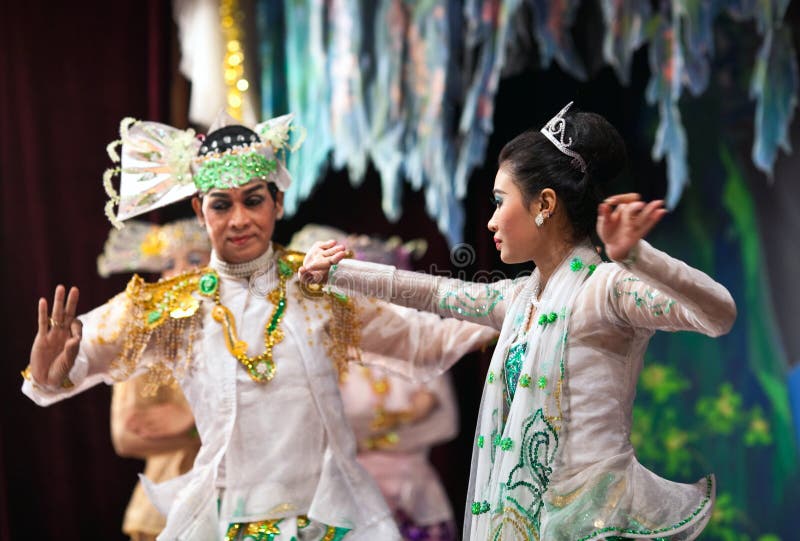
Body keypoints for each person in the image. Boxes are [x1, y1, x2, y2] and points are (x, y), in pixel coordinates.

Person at [22, 113, 495, 540]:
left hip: (331, 519)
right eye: (221, 205)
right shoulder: (171, 307)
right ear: (199, 210)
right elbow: (75, 356)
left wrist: (509, 315)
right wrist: (47, 372)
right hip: (227, 522)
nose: (240, 220)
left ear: (278, 203)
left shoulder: (323, 289)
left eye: (253, 201)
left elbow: (421, 338)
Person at [300, 102, 737, 540]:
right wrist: (338, 272)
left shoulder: (605, 289)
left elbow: (718, 314)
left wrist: (638, 257)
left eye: (499, 201)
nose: (490, 221)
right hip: (528, 516)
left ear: (544, 204)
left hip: (598, 519)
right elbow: (436, 292)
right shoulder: (520, 298)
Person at [290, 225, 498, 541]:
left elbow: (444, 423)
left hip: (412, 497)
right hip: (342, 499)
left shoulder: (410, 341)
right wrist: (398, 420)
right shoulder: (316, 353)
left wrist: (368, 433)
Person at [99, 218, 211, 541]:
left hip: (239, 501)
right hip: (164, 512)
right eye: (168, 263)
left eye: (193, 260)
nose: (178, 273)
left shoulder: (243, 329)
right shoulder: (144, 340)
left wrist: (192, 420)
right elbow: (125, 437)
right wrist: (199, 429)